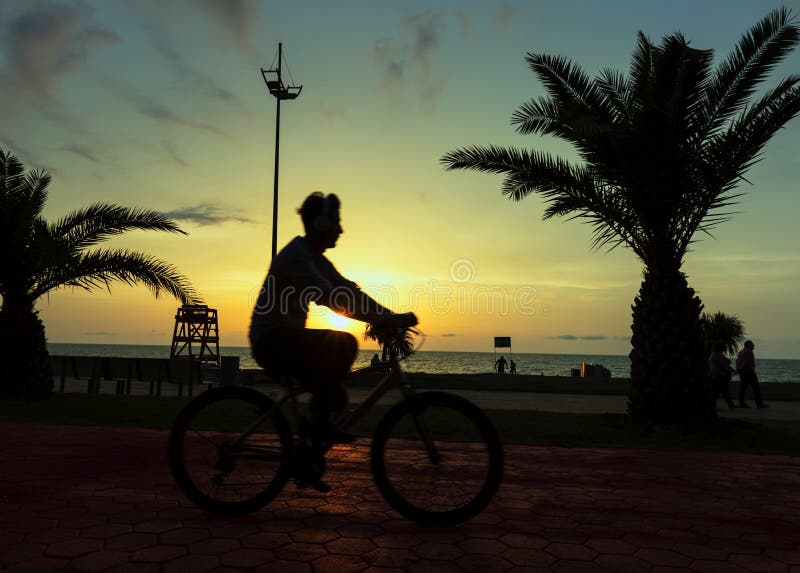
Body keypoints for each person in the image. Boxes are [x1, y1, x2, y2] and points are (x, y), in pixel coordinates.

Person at [249, 192, 417, 488]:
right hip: (272, 340)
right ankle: (315, 429)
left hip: (283, 339)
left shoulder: (315, 259)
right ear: (322, 223)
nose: (341, 230)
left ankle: (307, 451)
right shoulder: (298, 256)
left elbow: (348, 289)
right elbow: (330, 296)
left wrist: (390, 315)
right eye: (337, 222)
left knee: (335, 397)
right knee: (344, 344)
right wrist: (383, 319)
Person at [736, 340, 767, 409]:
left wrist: (739, 369)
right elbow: (746, 362)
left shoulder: (741, 352)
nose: (753, 346)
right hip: (748, 371)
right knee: (756, 388)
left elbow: (738, 361)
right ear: (748, 345)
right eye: (752, 345)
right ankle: (759, 404)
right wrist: (743, 368)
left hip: (743, 372)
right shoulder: (749, 351)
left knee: (743, 388)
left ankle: (741, 403)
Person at [708, 342, 736, 410]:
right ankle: (730, 405)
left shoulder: (714, 354)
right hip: (720, 376)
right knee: (722, 391)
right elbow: (724, 366)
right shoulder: (718, 355)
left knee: (718, 392)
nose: (725, 348)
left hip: (715, 375)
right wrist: (732, 370)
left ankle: (730, 405)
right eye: (724, 346)